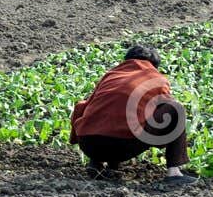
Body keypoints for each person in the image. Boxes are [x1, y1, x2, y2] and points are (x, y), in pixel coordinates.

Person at [69, 44, 195, 182]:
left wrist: (76, 139)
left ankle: (97, 162)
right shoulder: (156, 78)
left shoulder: (111, 75)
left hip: (88, 144)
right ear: (154, 65)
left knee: (107, 111)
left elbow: (82, 106)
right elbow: (165, 111)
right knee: (175, 108)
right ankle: (174, 172)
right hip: (125, 145)